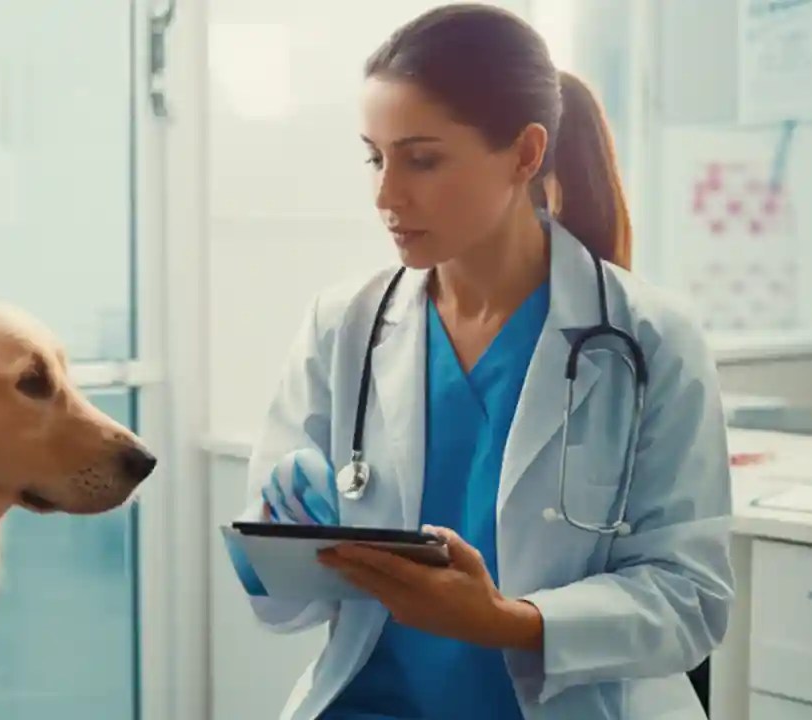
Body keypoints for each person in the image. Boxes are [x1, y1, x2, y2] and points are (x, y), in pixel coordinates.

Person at [239, 4, 734, 719]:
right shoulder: (343, 325)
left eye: (423, 158)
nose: (385, 195)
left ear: (526, 154)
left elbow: (690, 600)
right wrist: (275, 538)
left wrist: (505, 621)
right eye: (376, 157)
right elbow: (285, 608)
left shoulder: (650, 338)